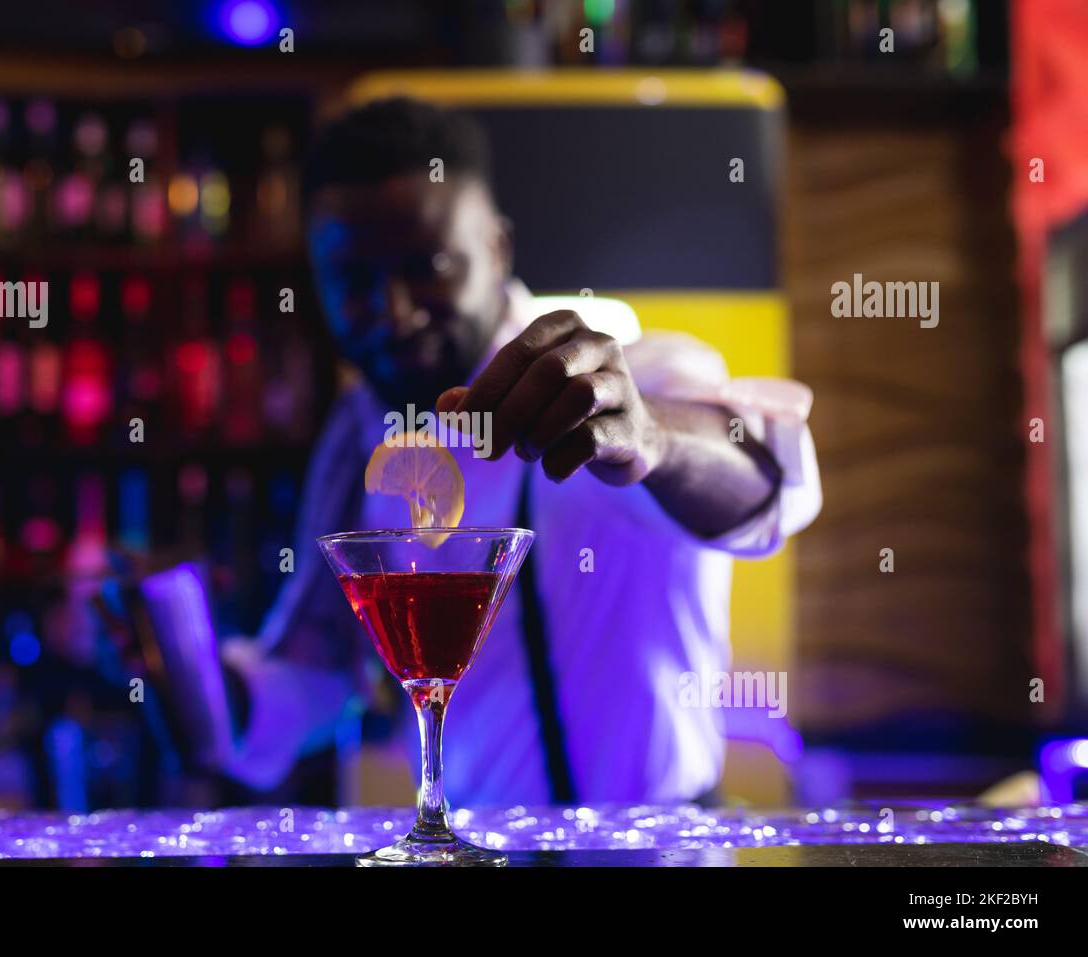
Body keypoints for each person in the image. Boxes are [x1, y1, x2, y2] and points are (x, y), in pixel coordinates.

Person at [173, 97, 821, 805]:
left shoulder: (619, 373)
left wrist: (653, 438)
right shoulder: (359, 436)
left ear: (499, 249)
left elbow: (769, 485)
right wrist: (178, 664)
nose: (395, 312)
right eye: (354, 280)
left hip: (652, 854)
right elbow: (319, 679)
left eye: (429, 265)